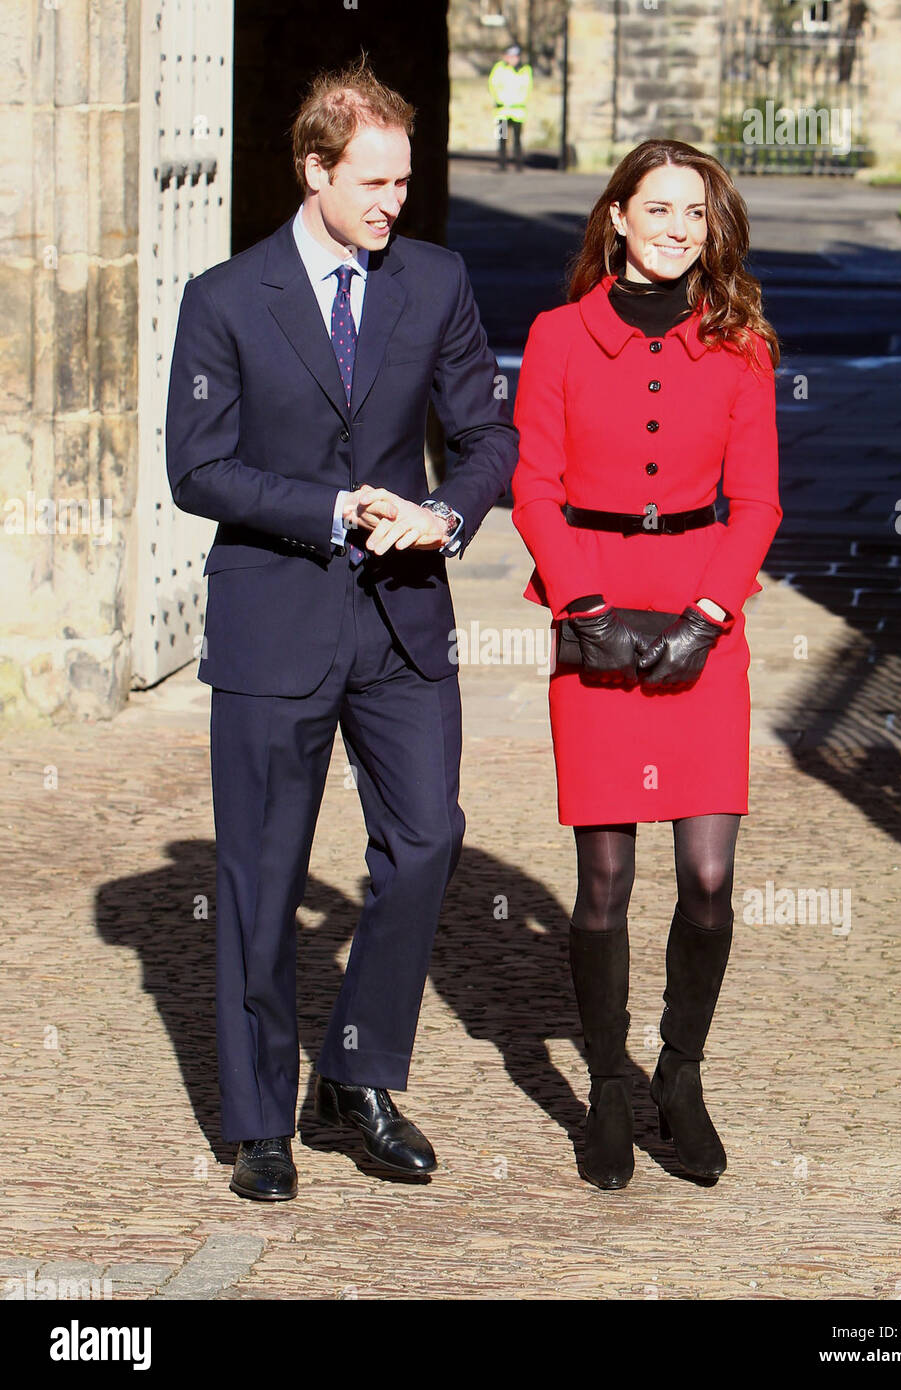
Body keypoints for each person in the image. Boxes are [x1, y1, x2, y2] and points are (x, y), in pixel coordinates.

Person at [165, 57, 517, 1201]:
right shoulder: (225, 298)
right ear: (315, 171)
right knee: (261, 875)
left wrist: (447, 512)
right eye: (372, 181)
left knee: (425, 842)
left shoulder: (437, 281)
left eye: (403, 183)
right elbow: (197, 468)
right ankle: (262, 1115)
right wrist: (329, 509)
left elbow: (485, 437)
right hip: (274, 620)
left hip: (404, 620)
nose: (391, 204)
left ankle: (355, 1076)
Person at [510, 139, 781, 1190]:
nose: (677, 228)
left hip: (702, 606)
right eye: (658, 207)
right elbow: (531, 484)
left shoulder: (741, 345)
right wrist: (584, 604)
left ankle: (678, 1072)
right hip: (593, 602)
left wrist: (707, 614)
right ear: (616, 215)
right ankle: (608, 1093)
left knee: (706, 881)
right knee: (602, 886)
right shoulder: (556, 336)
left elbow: (755, 502)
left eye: (695, 214)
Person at [488, 44, 532, 172]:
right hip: (502, 111)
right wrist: (500, 99)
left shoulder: (525, 70)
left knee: (517, 140)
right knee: (502, 139)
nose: (511, 59)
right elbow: (493, 85)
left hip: (518, 111)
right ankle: (502, 164)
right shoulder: (499, 68)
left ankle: (518, 164)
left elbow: (527, 88)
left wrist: (519, 101)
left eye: (513, 56)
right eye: (509, 56)